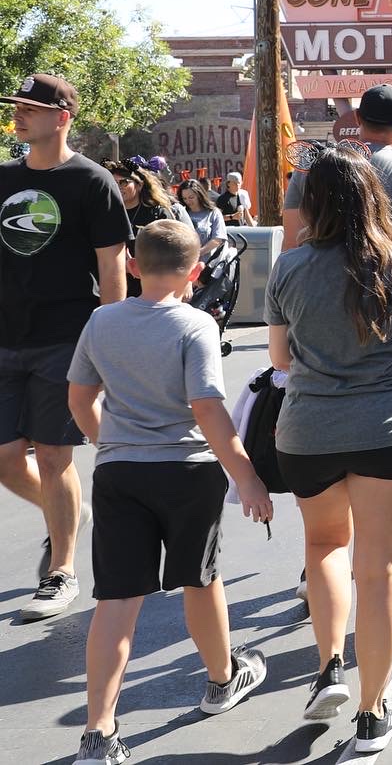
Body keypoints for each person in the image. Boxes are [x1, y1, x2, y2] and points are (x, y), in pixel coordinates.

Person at [266, 146, 392, 751]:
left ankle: (328, 664)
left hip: (307, 434)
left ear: (314, 205)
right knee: (379, 569)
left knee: (325, 545)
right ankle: (372, 710)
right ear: (372, 199)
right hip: (386, 431)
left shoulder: (289, 268)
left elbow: (279, 359)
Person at [66, 220, 273, 765]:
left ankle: (98, 732)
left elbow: (80, 396)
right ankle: (221, 680)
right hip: (186, 470)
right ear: (195, 271)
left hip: (120, 470)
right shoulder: (196, 324)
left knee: (116, 601)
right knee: (199, 581)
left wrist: (104, 438)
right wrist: (246, 475)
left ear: (133, 265)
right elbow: (206, 407)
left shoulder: (102, 320)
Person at [283, 84, 392, 567]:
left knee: (316, 419)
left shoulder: (313, 169)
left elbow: (293, 241)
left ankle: (324, 555)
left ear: (357, 122)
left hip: (313, 307)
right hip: (387, 310)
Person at [0, 74, 130, 622]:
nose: (19, 115)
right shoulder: (2, 178)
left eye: (30, 108)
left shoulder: (91, 182)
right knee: (6, 460)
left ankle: (62, 572)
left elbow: (112, 266)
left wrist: (110, 339)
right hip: (5, 337)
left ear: (62, 117)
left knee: (54, 455)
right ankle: (67, 518)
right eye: (16, 107)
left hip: (66, 339)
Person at [104, 159, 185, 298]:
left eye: (123, 182)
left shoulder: (158, 214)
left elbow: (174, 251)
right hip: (116, 288)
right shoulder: (105, 214)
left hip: (154, 289)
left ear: (139, 185)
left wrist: (137, 266)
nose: (118, 187)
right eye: (113, 183)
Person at [177, 179, 227, 260]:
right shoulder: (181, 213)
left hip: (206, 264)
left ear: (199, 195)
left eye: (191, 197)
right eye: (184, 198)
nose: (188, 201)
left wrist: (198, 253)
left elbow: (218, 239)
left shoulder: (213, 213)